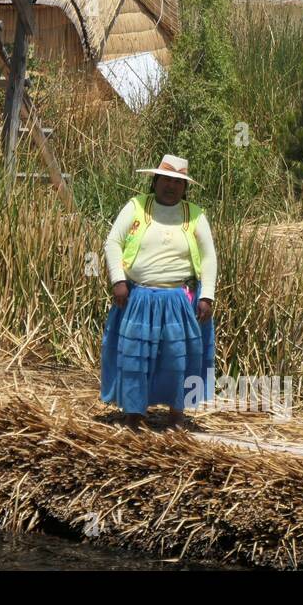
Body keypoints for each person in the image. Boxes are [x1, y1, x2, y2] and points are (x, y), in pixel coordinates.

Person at [101, 154, 217, 429]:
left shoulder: (195, 215)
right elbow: (113, 243)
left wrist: (206, 295)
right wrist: (118, 280)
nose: (171, 186)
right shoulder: (136, 207)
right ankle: (133, 415)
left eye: (178, 182)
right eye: (166, 179)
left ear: (185, 187)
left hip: (178, 299)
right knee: (135, 358)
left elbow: (209, 256)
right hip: (139, 297)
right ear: (155, 181)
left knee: (178, 358)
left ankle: (177, 415)